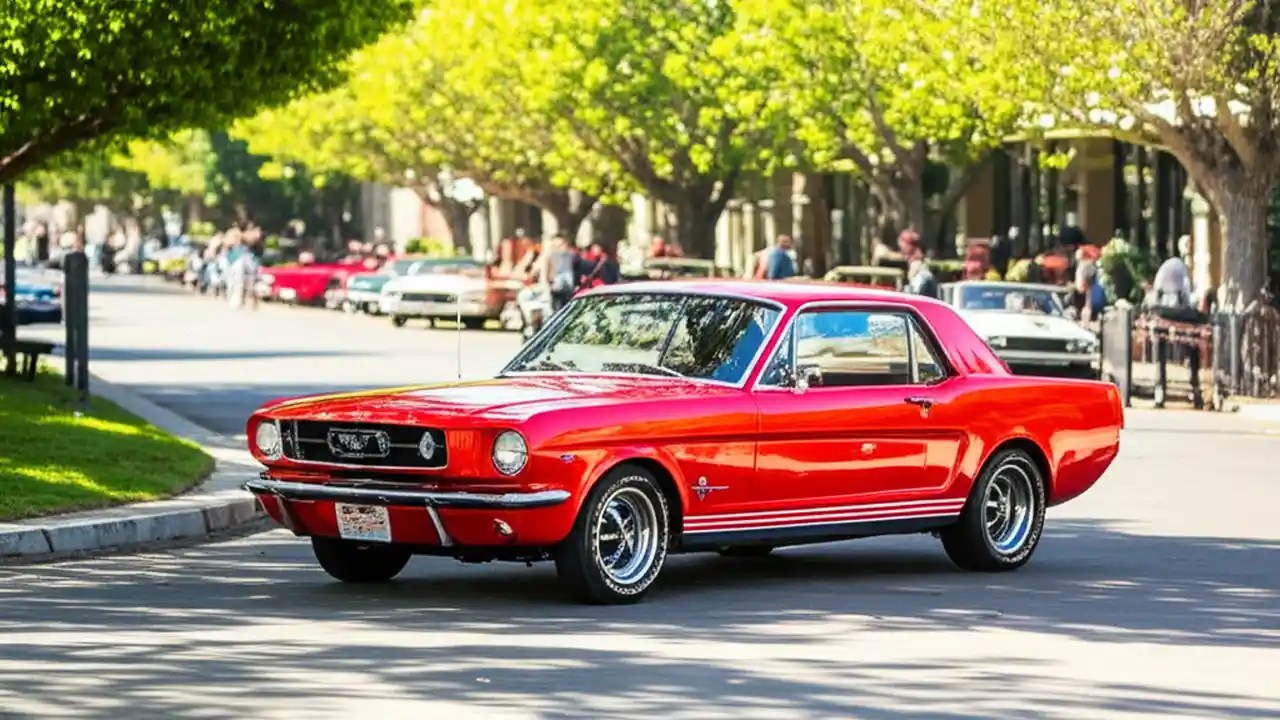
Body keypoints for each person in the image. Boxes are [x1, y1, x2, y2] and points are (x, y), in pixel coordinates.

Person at [1152, 235, 1193, 308]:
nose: (1190, 246)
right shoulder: (1180, 265)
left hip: (1166, 300)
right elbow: (1186, 286)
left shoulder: (1170, 264)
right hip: (1175, 301)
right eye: (1187, 244)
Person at [545, 233, 579, 311]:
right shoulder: (550, 259)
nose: (558, 250)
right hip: (557, 295)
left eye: (560, 246)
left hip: (573, 295)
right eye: (555, 247)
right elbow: (548, 278)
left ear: (566, 245)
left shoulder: (574, 258)